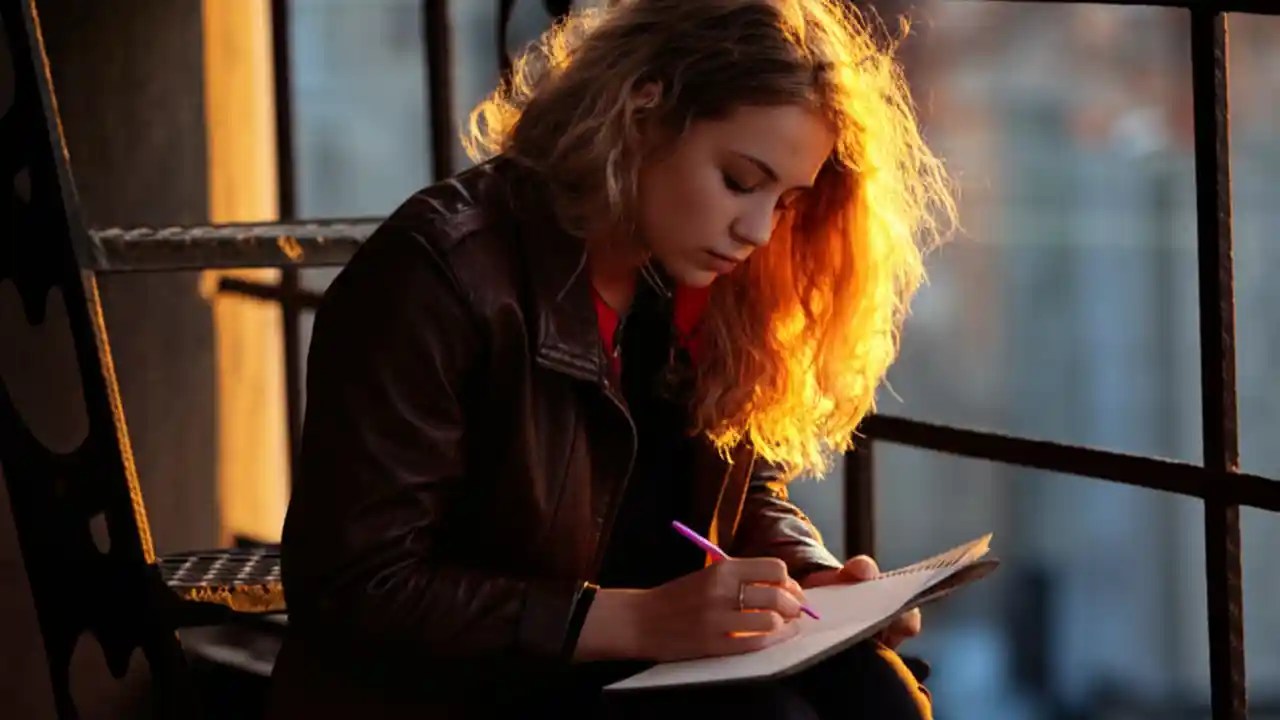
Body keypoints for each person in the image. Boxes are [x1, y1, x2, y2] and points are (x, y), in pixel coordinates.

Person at [267, 0, 957, 717]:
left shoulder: (698, 274)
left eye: (785, 202)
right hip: (460, 688)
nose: (757, 230)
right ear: (643, 111)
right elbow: (357, 588)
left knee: (878, 690)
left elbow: (732, 494)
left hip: (644, 665)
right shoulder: (438, 275)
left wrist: (810, 582)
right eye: (740, 181)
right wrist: (637, 619)